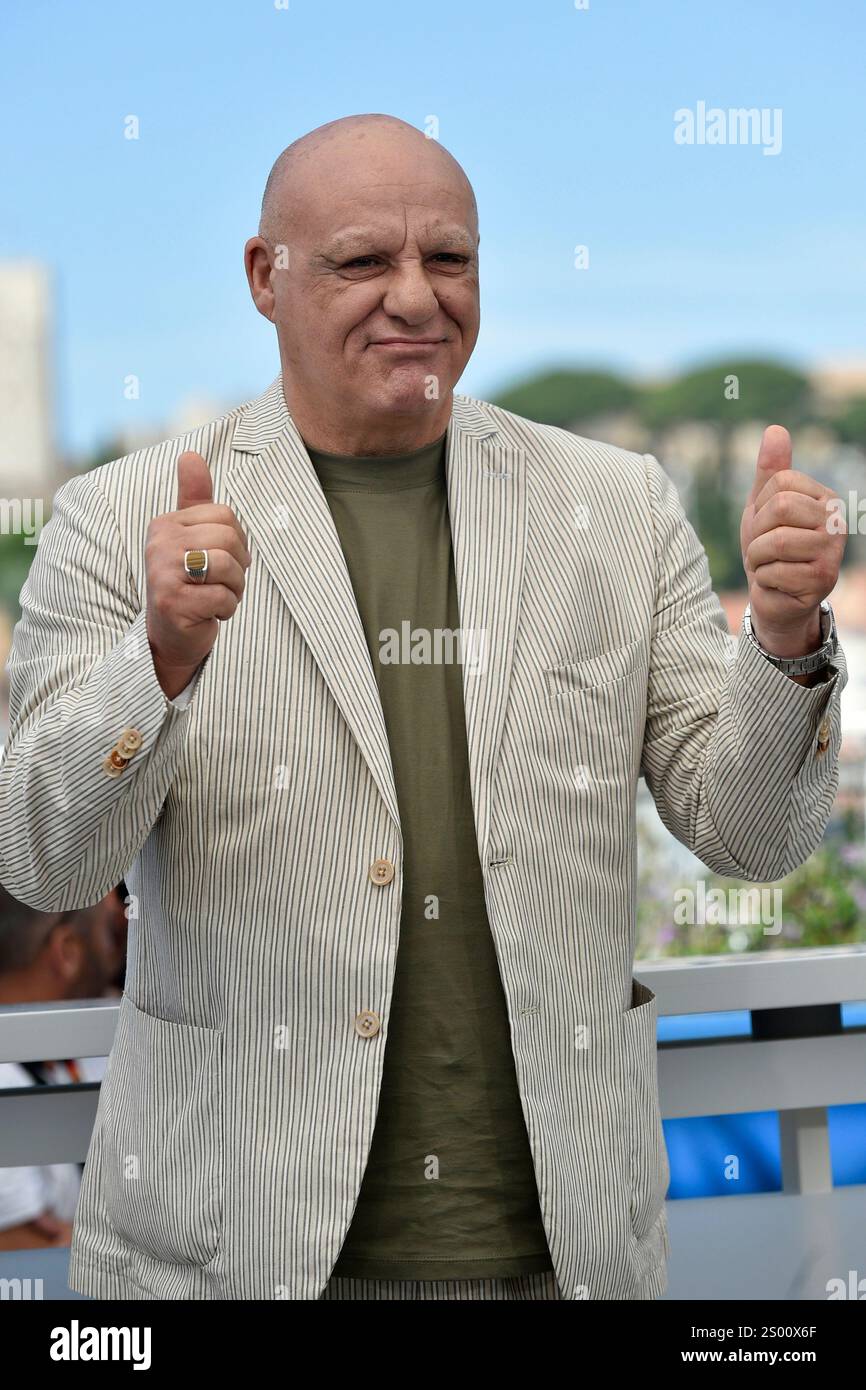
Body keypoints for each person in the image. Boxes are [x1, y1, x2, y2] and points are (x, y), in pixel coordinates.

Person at [0, 114, 847, 1301]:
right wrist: (162, 657)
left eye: (448, 259)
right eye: (361, 262)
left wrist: (784, 634)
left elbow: (749, 835)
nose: (415, 297)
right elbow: (42, 858)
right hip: (236, 1256)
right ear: (263, 277)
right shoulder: (114, 520)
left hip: (562, 1253)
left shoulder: (616, 503)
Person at [0, 886, 124, 1250]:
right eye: (108, 934)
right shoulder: (8, 1077)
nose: (117, 952)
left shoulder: (91, 1039)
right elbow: (23, 1249)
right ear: (67, 950)